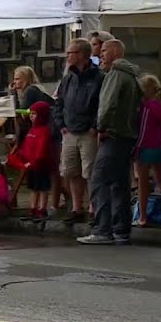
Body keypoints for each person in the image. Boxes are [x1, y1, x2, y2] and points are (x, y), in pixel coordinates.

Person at [78, 38, 141, 246]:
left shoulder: (115, 74)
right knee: (119, 183)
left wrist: (100, 127)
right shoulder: (132, 76)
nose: (100, 55)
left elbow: (107, 105)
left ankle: (102, 229)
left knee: (100, 180)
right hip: (127, 135)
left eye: (104, 50)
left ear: (115, 52)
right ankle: (121, 229)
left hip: (113, 135)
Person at [53, 38, 104, 225]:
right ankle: (76, 208)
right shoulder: (68, 78)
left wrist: (94, 127)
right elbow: (59, 102)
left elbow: (101, 105)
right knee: (71, 171)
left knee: (90, 171)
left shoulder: (98, 77)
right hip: (70, 131)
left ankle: (93, 208)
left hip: (88, 132)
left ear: (82, 54)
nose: (68, 56)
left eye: (71, 53)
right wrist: (61, 124)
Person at [133, 74, 161, 227]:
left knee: (142, 183)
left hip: (146, 148)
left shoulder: (148, 107)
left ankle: (142, 216)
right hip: (158, 147)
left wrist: (136, 148)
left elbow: (143, 129)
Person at [9, 101, 54, 220]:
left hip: (41, 165)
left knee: (43, 188)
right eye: (31, 113)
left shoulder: (44, 131)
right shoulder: (32, 130)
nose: (31, 116)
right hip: (30, 165)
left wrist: (34, 162)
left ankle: (42, 209)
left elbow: (42, 150)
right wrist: (20, 157)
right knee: (33, 188)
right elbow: (26, 147)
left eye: (34, 113)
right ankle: (33, 208)